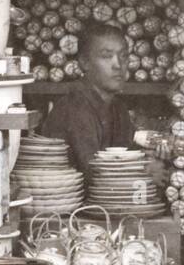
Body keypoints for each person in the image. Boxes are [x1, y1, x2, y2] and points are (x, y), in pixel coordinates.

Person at [39, 22, 135, 175]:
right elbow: (95, 173)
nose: (118, 65)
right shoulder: (75, 108)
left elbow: (123, 157)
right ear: (84, 63)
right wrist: (144, 171)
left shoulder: (118, 108)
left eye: (123, 56)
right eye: (106, 56)